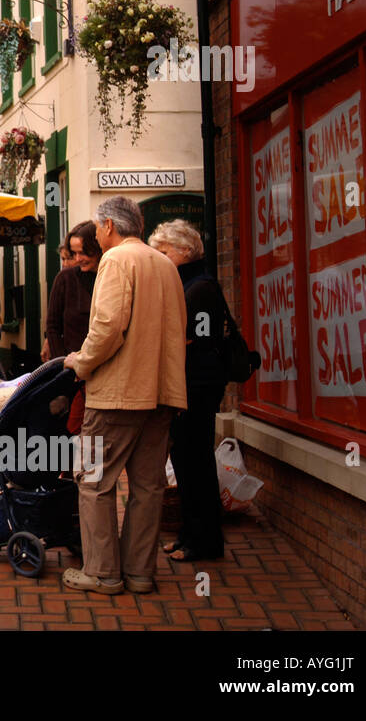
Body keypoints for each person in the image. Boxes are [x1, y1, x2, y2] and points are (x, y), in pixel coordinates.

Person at [62, 196, 188, 595]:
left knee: (93, 480)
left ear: (109, 227)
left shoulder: (116, 261)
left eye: (98, 228)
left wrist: (80, 362)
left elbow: (107, 327)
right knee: (148, 487)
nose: (97, 235)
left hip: (118, 393)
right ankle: (139, 572)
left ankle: (102, 573)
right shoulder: (165, 264)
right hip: (161, 392)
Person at [149, 219, 227, 563]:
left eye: (163, 252)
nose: (159, 258)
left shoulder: (201, 288)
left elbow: (194, 337)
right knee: (184, 463)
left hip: (197, 386)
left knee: (197, 464)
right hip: (186, 384)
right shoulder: (185, 283)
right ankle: (188, 535)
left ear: (184, 251)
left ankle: (205, 542)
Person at [45, 221, 100, 362]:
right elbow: (53, 326)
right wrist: (61, 363)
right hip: (72, 367)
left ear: (97, 248)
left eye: (82, 253)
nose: (77, 259)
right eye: (73, 253)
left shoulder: (111, 276)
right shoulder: (65, 279)